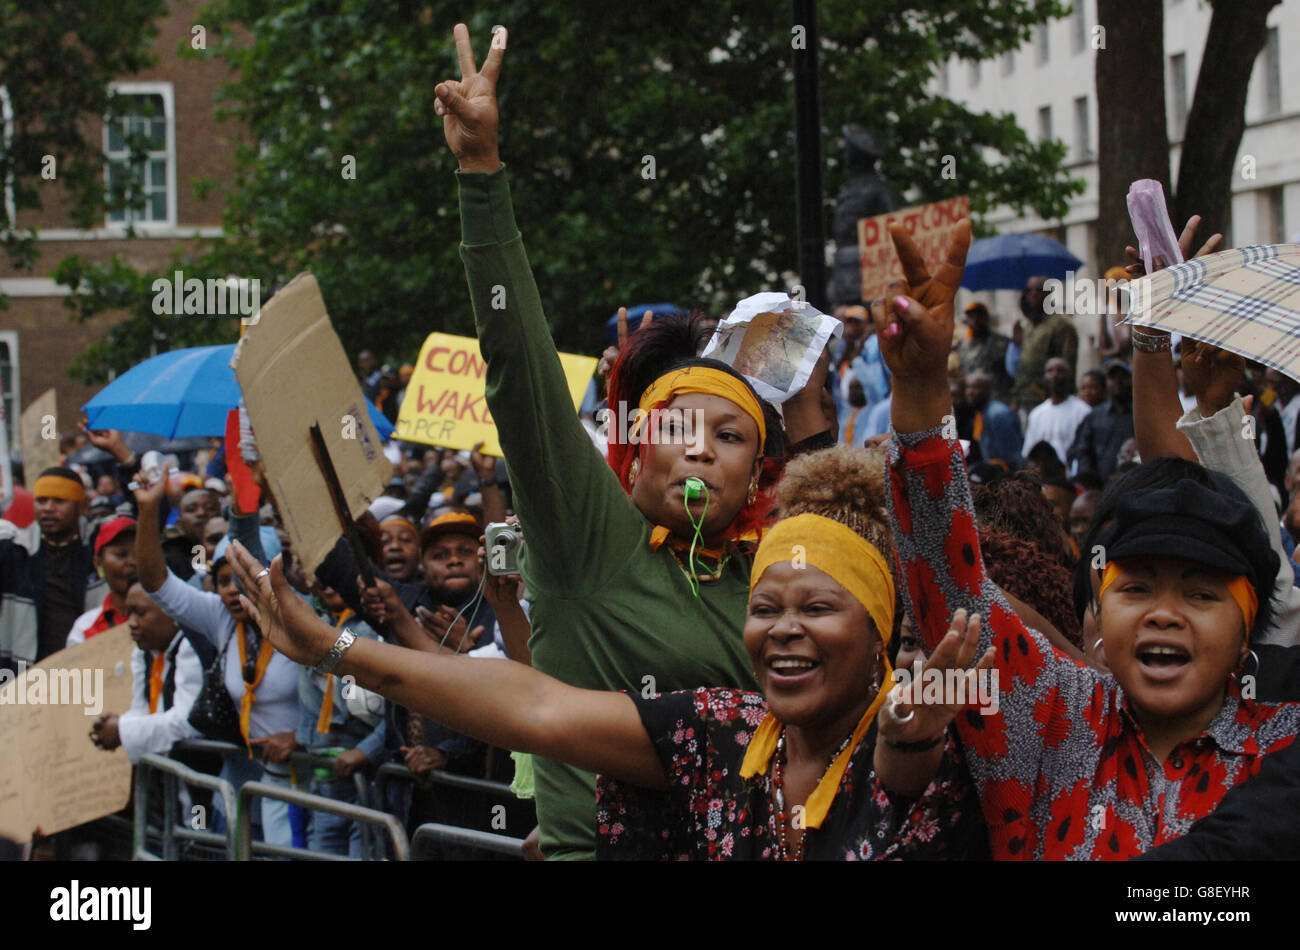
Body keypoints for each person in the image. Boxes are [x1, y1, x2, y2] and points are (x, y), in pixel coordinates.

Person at [430, 23, 833, 859]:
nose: (698, 450)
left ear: (758, 472)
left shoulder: (778, 580)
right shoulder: (592, 545)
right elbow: (523, 376)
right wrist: (481, 177)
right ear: (631, 450)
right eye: (675, 428)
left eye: (728, 436)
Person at [225, 442, 991, 862]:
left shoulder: (920, 742)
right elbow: (535, 706)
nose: (783, 628)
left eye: (818, 608)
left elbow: (902, 764)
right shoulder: (719, 731)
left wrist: (911, 735)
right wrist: (333, 648)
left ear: (877, 632)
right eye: (765, 608)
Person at [876, 221, 1300, 858]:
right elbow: (949, 585)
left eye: (1202, 594)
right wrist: (918, 389)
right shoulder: (1050, 716)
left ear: (1250, 632)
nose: (1163, 613)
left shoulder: (1286, 746)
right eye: (1135, 587)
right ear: (1096, 616)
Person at [134, 464, 301, 847]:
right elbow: (155, 583)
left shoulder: (305, 621)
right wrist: (148, 509)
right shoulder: (222, 620)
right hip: (243, 782)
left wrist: (302, 739)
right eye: (224, 580)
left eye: (243, 579)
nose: (231, 591)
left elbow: (340, 695)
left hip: (309, 781)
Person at [89, 581, 211, 763]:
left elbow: (186, 722)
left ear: (171, 611)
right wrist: (117, 724)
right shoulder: (144, 652)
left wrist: (122, 730)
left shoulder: (190, 647)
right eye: (127, 613)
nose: (131, 623)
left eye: (140, 613)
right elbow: (142, 711)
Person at [0, 466, 106, 673]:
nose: (48, 508)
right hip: (28, 671)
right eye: (42, 501)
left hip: (90, 667)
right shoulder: (16, 552)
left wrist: (128, 464)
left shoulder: (99, 547)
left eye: (59, 501)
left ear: (81, 506)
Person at [1010, 275, 1078, 413]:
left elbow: (1067, 364)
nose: (1033, 294)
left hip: (1049, 399)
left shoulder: (1061, 325)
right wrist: (1016, 399)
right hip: (1026, 398)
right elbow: (1023, 367)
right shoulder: (1029, 327)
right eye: (1029, 290)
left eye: (1039, 290)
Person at [66, 516, 137, 646]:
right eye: (121, 554)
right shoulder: (85, 628)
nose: (133, 562)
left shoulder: (166, 619)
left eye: (140, 553)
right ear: (98, 563)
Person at [1068, 361, 1134, 483]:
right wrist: (1090, 478)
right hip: (1098, 486)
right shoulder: (1096, 415)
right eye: (1112, 378)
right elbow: (1082, 449)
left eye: (1123, 377)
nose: (1118, 382)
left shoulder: (1139, 415)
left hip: (1130, 484)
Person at [1021, 357, 1092, 467]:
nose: (1055, 375)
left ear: (1069, 376)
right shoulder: (1036, 414)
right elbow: (1029, 453)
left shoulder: (1083, 411)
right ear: (1044, 377)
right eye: (1050, 371)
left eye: (1060, 371)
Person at [956, 302, 1012, 403]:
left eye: (979, 316)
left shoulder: (1002, 342)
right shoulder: (963, 346)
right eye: (971, 317)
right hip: (972, 401)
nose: (975, 321)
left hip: (997, 398)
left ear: (986, 318)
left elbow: (1011, 372)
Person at [964, 370, 1021, 469]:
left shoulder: (997, 414)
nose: (970, 392)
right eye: (968, 387)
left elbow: (1012, 456)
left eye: (976, 387)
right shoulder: (980, 413)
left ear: (988, 390)